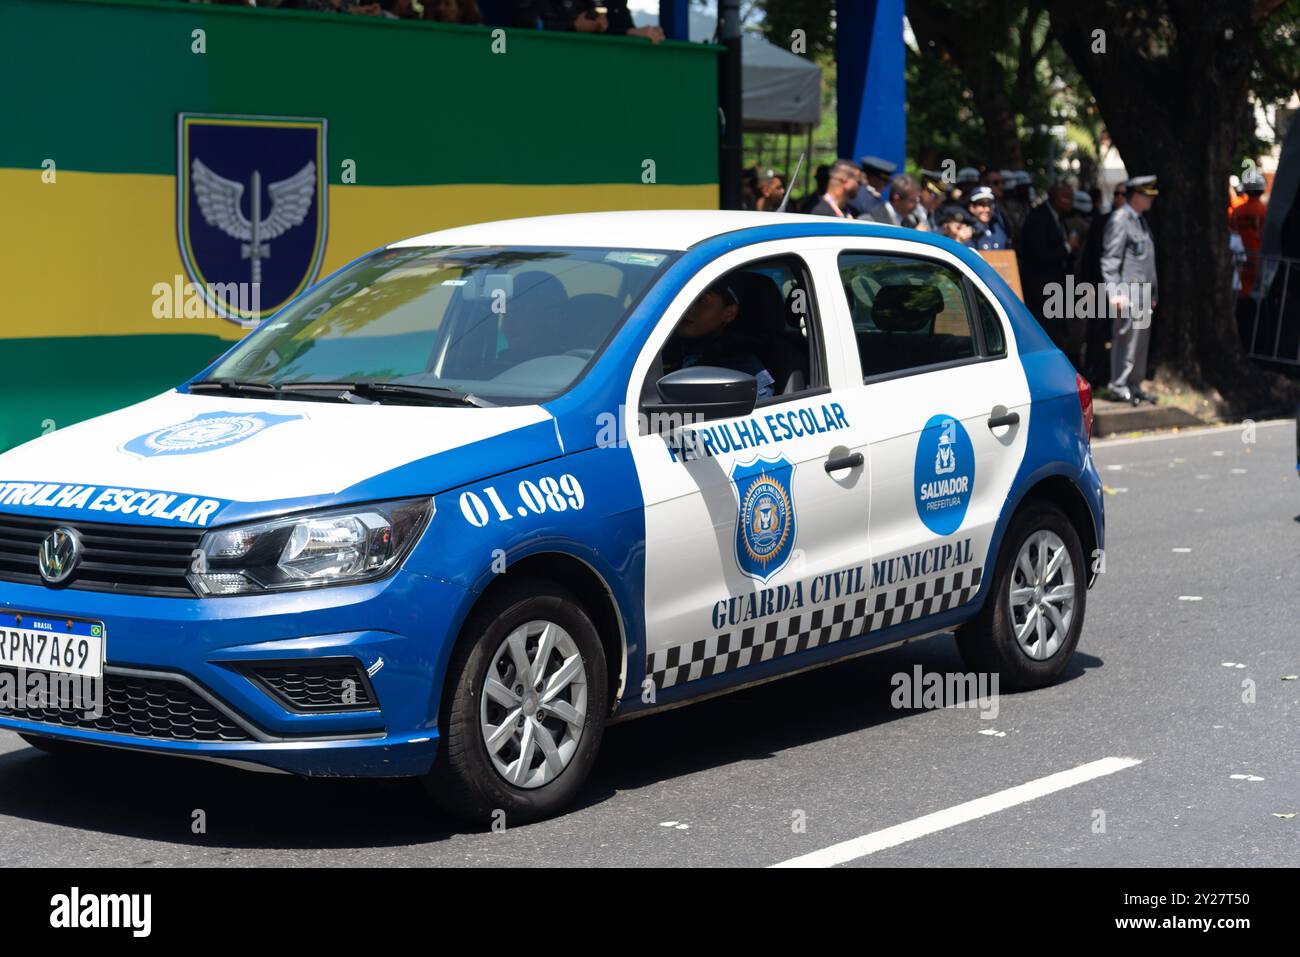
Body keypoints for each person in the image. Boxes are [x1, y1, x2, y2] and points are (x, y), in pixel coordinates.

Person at [1101, 175, 1159, 405]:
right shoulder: (1120, 219)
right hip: (1128, 292)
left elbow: (1146, 261)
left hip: (1143, 293)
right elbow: (1110, 259)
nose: (1151, 200)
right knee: (1126, 340)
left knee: (1140, 342)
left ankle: (1134, 384)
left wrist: (1153, 294)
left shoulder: (1140, 220)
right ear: (1136, 195)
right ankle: (1119, 385)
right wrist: (1114, 291)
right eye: (1147, 195)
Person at [666, 280, 776, 399]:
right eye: (684, 298)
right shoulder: (656, 344)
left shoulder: (742, 369)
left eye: (702, 300)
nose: (688, 308)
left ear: (729, 313)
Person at [1018, 182, 1078, 356]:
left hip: (1056, 287)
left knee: (1058, 333)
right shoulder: (1039, 218)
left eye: (1072, 198)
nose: (1070, 202)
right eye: (1066, 198)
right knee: (1046, 334)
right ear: (1053, 197)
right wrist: (1067, 247)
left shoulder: (1059, 218)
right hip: (1040, 289)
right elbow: (1040, 255)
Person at [1081, 184, 1126, 386]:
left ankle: (1115, 376)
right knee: (1097, 335)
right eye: (1115, 194)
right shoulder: (1103, 221)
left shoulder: (1136, 223)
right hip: (1099, 287)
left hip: (1125, 289)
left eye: (1123, 194)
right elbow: (1092, 256)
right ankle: (1096, 377)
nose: (1119, 198)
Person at [1229, 169, 1267, 297]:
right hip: (1258, 257)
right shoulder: (1265, 211)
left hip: (1239, 257)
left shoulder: (1237, 211)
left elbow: (1231, 231)